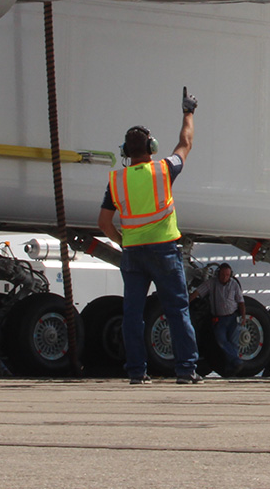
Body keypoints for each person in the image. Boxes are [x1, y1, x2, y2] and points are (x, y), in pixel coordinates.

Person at [97, 88, 202, 385]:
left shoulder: (117, 180)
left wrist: (123, 240)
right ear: (152, 147)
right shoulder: (164, 170)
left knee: (132, 314)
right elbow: (186, 142)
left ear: (124, 153)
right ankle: (185, 371)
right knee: (177, 310)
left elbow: (104, 222)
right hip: (164, 252)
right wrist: (188, 111)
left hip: (133, 254)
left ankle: (136, 372)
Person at [193, 262, 245, 376]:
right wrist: (186, 302)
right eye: (222, 275)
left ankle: (232, 367)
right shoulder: (212, 283)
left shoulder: (234, 285)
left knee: (233, 342)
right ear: (218, 274)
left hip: (232, 317)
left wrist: (243, 316)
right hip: (219, 319)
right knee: (221, 342)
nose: (224, 277)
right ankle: (236, 362)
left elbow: (241, 301)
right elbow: (197, 292)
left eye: (227, 275)